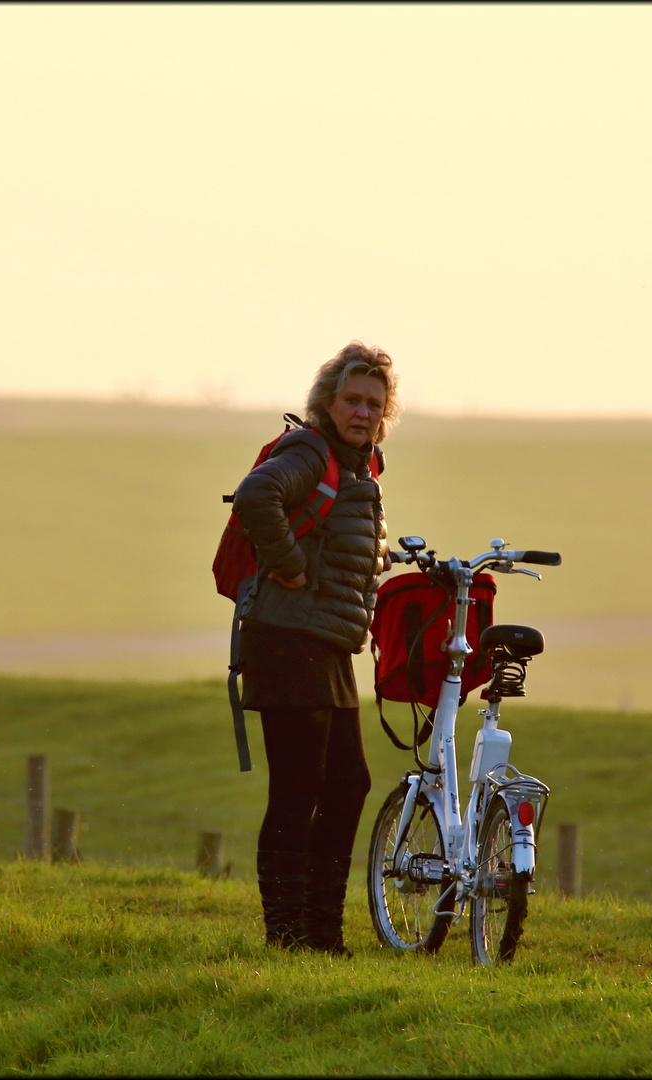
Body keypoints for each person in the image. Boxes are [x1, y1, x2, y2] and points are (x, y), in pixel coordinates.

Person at [230, 340, 398, 956]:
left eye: (373, 404)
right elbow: (256, 495)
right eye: (351, 399)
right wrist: (290, 563)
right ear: (327, 401)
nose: (361, 411)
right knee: (300, 790)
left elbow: (342, 538)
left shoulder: (360, 466)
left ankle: (322, 933)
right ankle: (289, 936)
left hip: (324, 645)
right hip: (286, 640)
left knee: (347, 784)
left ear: (385, 415)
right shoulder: (310, 450)